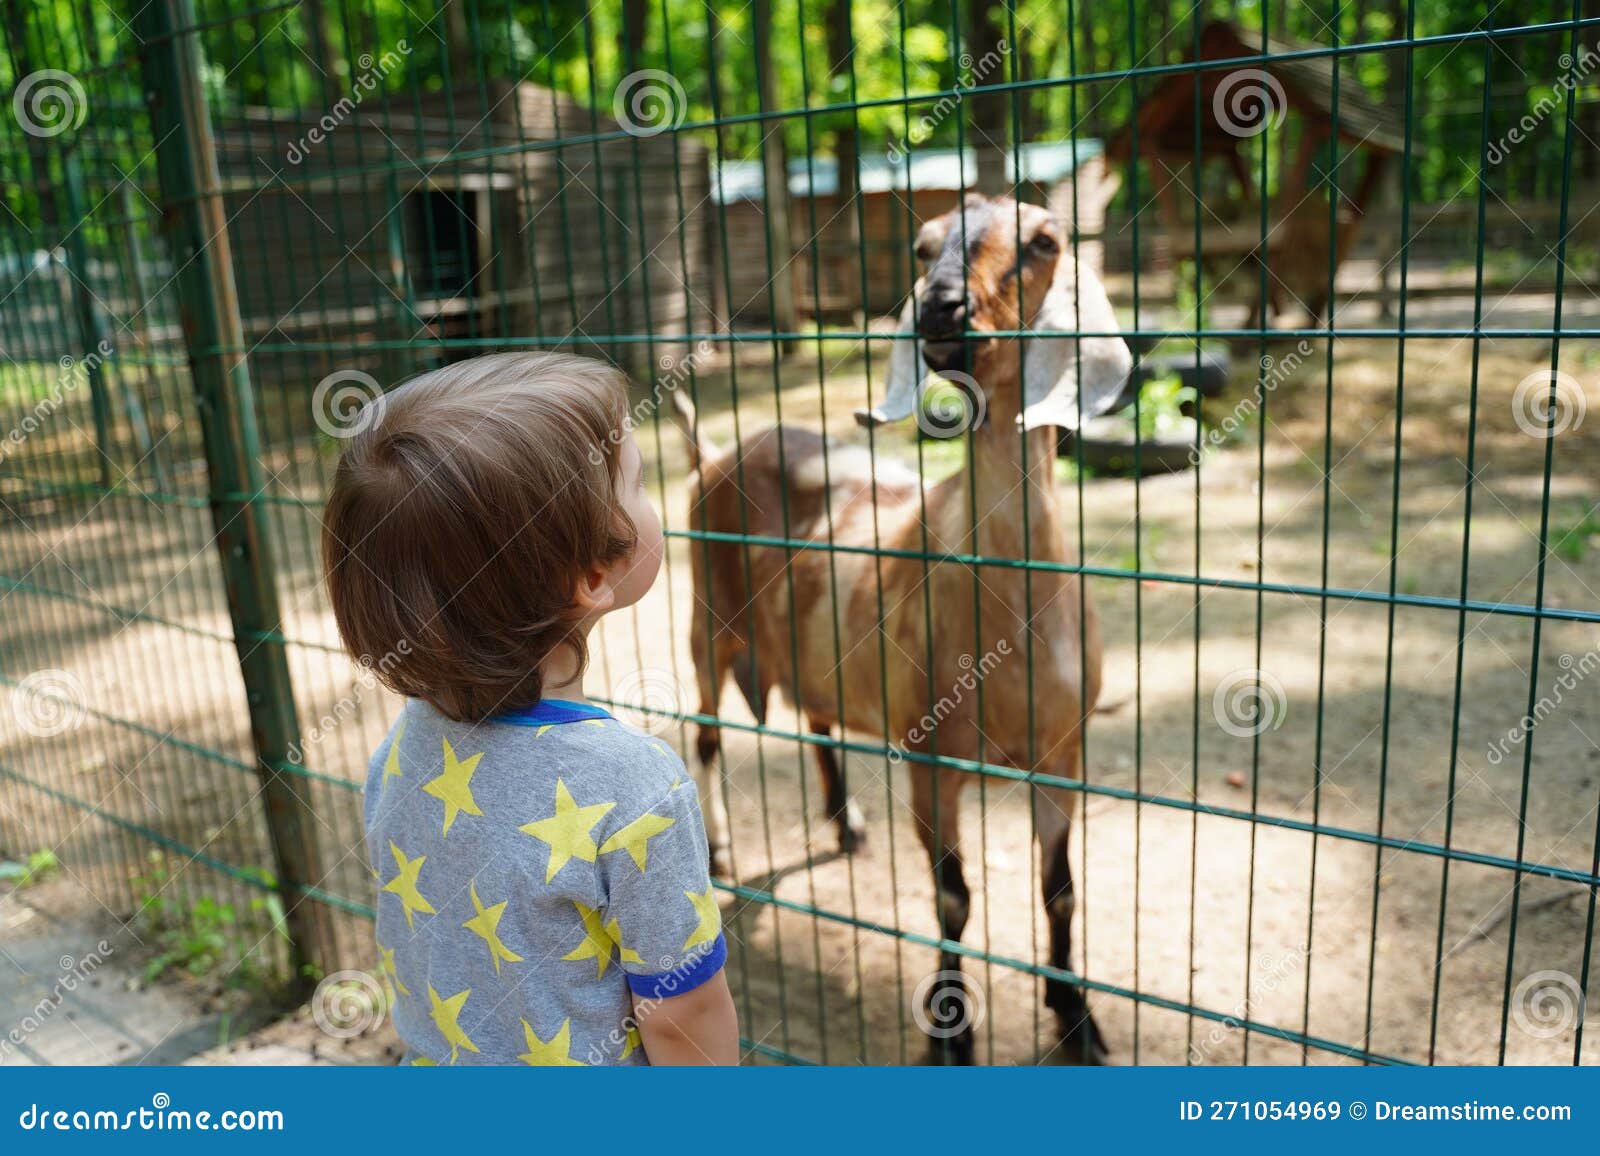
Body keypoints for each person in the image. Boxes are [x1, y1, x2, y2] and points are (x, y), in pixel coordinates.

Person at [323, 352, 738, 1066]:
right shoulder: (634, 788)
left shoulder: (404, 750)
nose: (652, 500)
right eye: (637, 485)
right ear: (592, 573)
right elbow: (683, 1012)